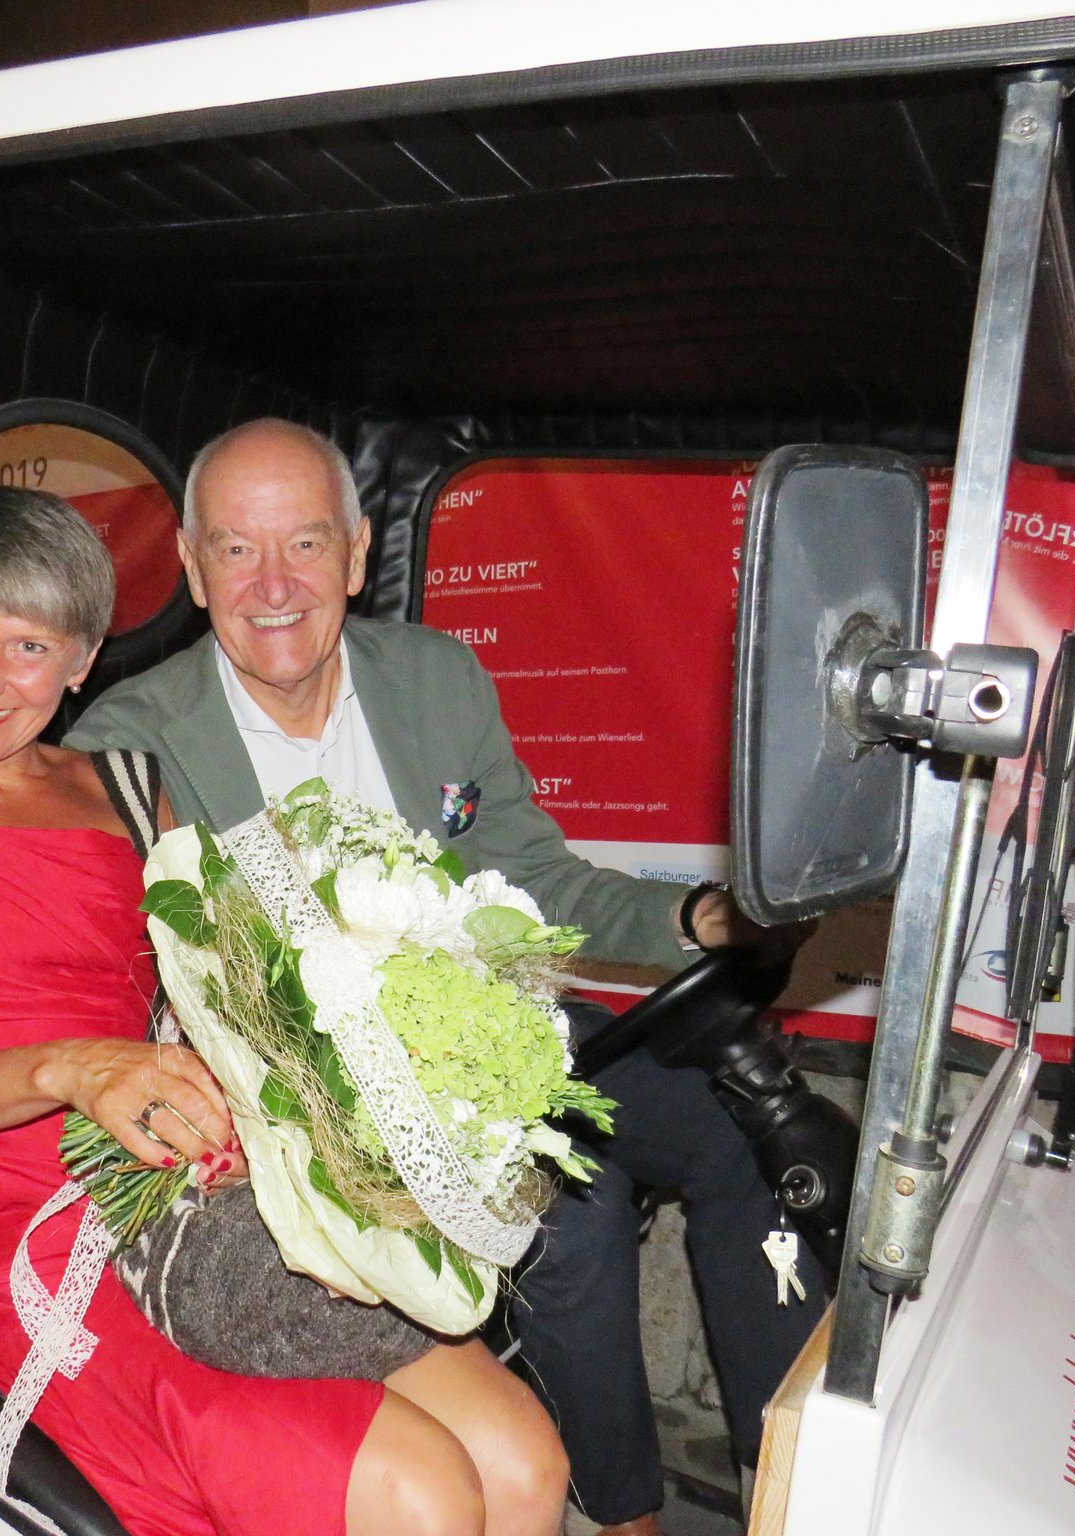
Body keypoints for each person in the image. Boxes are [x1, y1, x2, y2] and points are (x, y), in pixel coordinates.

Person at [64, 420, 819, 1536]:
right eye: (235, 550)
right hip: (321, 1104)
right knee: (574, 1195)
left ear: (360, 553)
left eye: (306, 545)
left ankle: (787, 1489)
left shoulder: (432, 679)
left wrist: (691, 920)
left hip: (495, 1044)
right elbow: (123, 983)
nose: (273, 586)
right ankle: (623, 1517)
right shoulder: (127, 744)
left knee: (742, 1128)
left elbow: (529, 878)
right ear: (187, 564)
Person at [0, 485, 568, 1536]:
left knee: (521, 1458)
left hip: (196, 1199)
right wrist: (74, 1070)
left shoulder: (126, 785)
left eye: (26, 647)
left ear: (80, 661)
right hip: (14, 1231)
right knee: (415, 1491)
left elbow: (208, 1000)